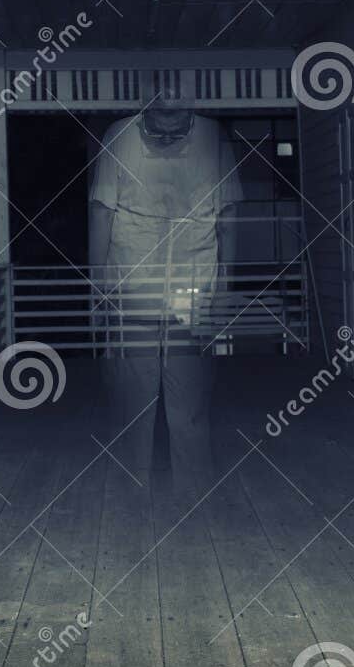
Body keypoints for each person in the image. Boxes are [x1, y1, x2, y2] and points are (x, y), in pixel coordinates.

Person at [88, 91, 240, 490]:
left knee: (188, 400)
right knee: (131, 394)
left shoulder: (215, 138)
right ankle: (128, 486)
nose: (168, 136)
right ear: (144, 110)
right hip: (132, 285)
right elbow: (101, 213)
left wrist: (225, 288)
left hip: (193, 287)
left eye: (178, 126)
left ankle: (195, 490)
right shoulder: (118, 136)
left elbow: (228, 218)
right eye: (158, 125)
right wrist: (97, 285)